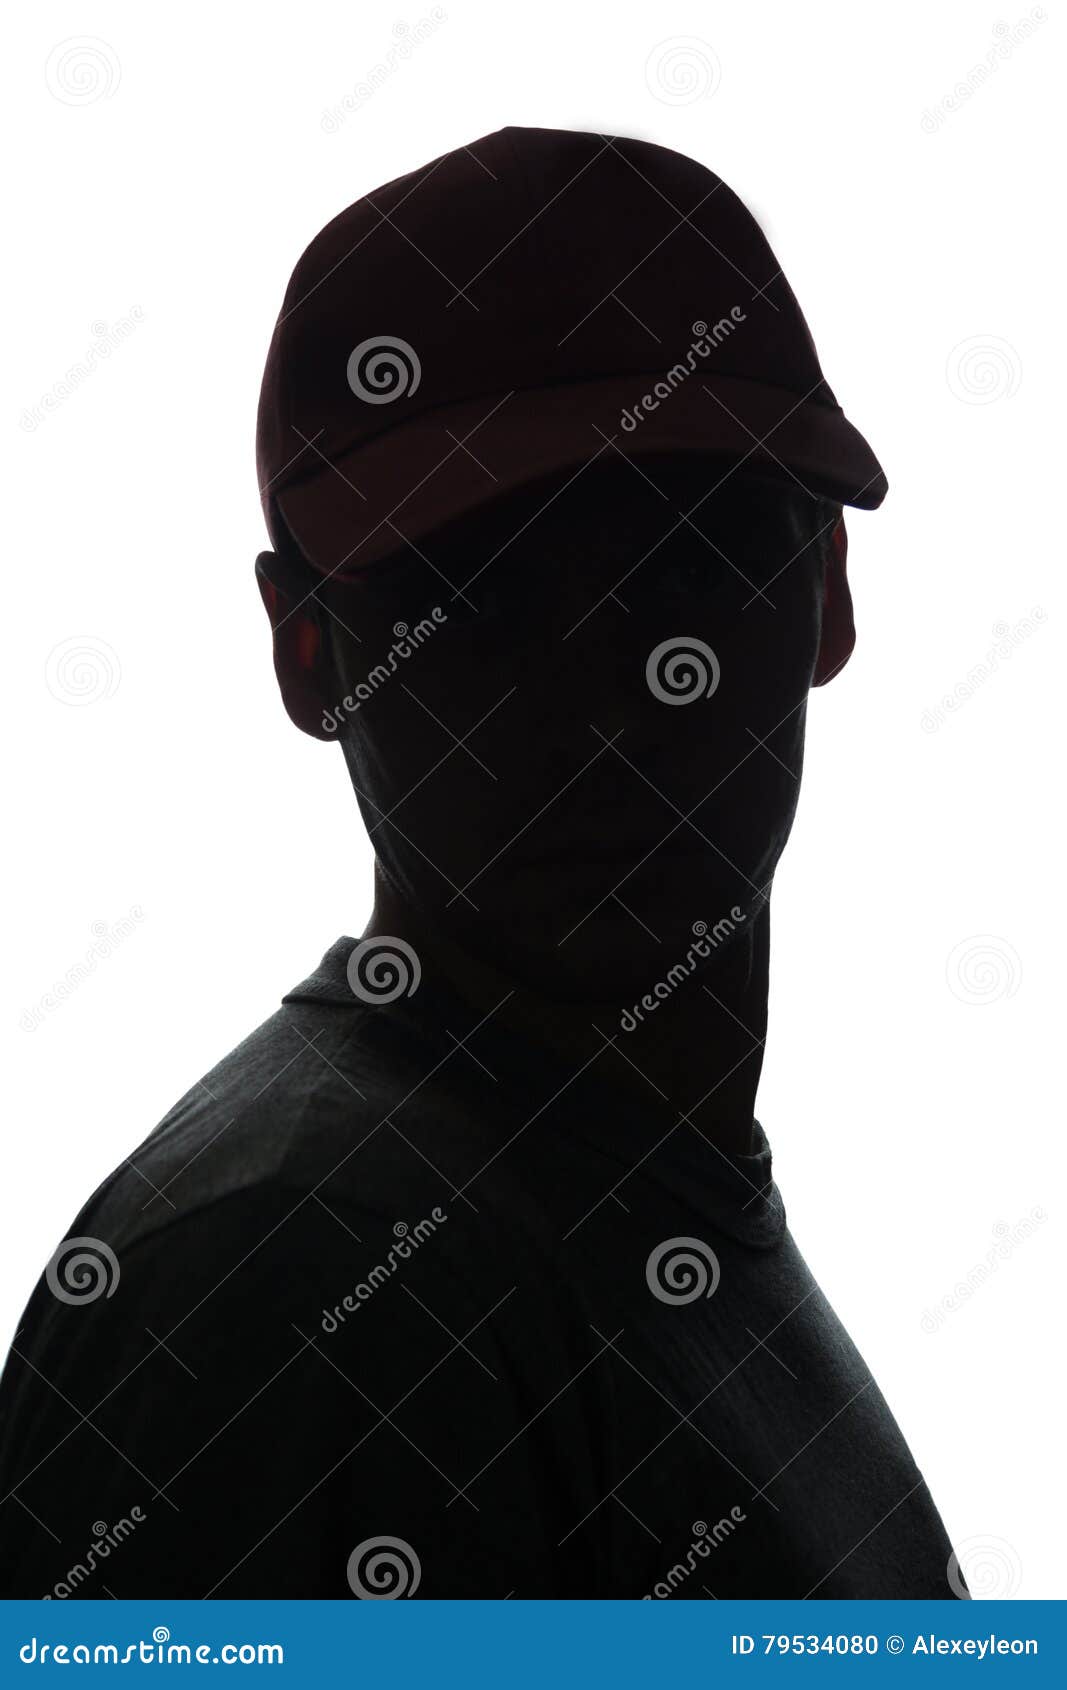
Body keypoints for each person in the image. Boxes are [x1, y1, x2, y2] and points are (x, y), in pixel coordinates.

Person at [0, 127, 964, 1599]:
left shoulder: (613, 1192)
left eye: (690, 559)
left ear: (827, 592)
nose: (614, 693)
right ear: (307, 649)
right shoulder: (307, 1277)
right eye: (473, 601)